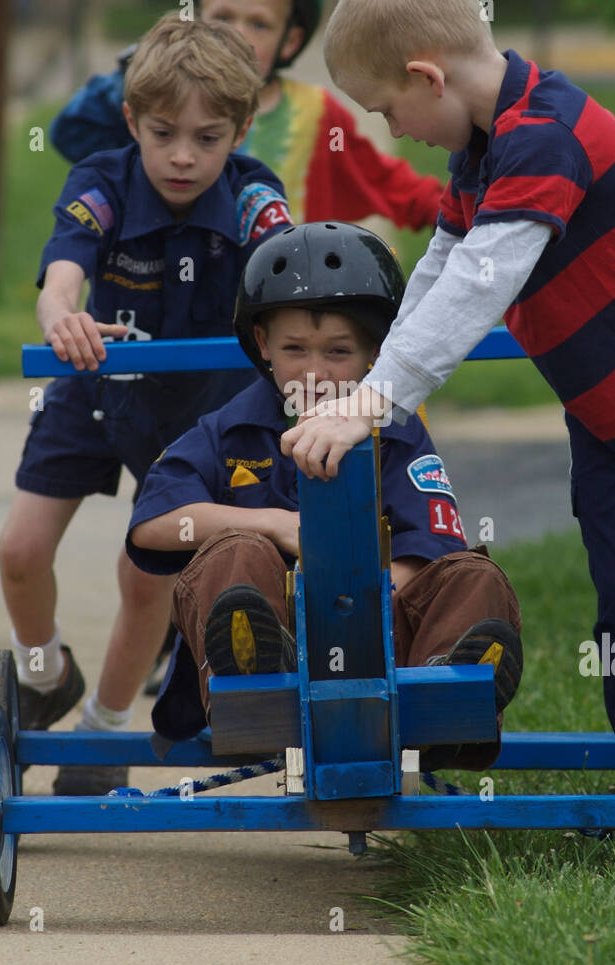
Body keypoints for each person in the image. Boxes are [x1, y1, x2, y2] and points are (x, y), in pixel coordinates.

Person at [282, 0, 615, 857]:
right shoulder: (480, 152)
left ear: (428, 74)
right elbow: (439, 265)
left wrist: (375, 401)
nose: (392, 133)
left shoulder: (545, 131)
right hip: (610, 420)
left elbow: (485, 277)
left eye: (389, 110)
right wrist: (364, 385)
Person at [0, 13, 293, 795]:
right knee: (20, 552)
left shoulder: (257, 195)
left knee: (145, 577)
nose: (184, 155)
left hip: (205, 414)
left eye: (207, 136)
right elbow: (64, 267)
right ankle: (46, 670)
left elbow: (289, 275)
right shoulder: (102, 178)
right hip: (99, 385)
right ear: (132, 120)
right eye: (163, 133)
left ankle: (104, 728)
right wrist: (62, 315)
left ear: (242, 127)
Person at [126, 221, 523, 771]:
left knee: (474, 576)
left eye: (338, 351)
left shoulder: (397, 432)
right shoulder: (227, 430)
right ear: (262, 344)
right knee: (238, 545)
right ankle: (255, 688)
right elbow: (152, 523)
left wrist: (367, 598)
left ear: (376, 351)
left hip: (381, 642)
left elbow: (432, 540)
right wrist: (272, 524)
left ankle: (447, 699)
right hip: (269, 629)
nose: (314, 372)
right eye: (295, 349)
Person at [50, 0, 445, 231]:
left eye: (258, 23)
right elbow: (72, 133)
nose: (235, 34)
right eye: (221, 17)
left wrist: (457, 211)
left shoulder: (316, 114)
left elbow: (390, 184)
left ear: (289, 42)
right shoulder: (163, 102)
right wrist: (136, 72)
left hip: (281, 314)